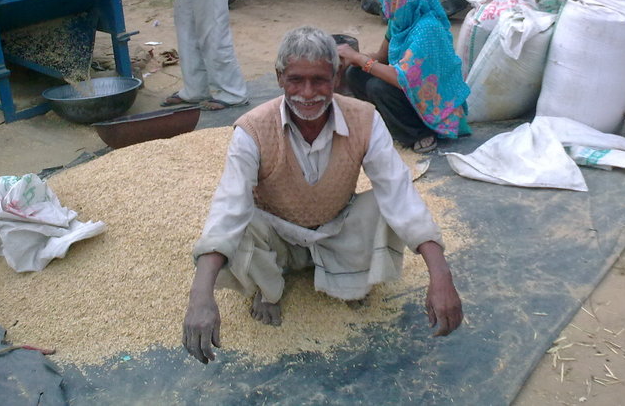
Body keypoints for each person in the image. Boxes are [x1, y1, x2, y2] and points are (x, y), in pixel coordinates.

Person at [182, 26, 462, 364]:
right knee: (239, 225)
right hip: (275, 232)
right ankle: (268, 287)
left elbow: (398, 192)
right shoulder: (253, 128)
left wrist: (441, 274)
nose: (308, 93)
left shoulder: (365, 119)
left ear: (337, 77)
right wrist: (201, 293)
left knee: (382, 206)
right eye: (296, 80)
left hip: (334, 227)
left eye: (320, 80)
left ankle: (344, 274)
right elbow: (230, 203)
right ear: (279, 78)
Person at [337, 0, 471, 155]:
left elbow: (404, 80)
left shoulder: (427, 29)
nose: (388, 1)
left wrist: (358, 57)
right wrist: (351, 59)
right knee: (356, 74)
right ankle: (390, 123)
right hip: (410, 89)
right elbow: (381, 57)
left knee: (379, 87)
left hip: (432, 100)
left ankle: (420, 133)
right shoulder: (399, 21)